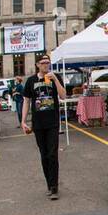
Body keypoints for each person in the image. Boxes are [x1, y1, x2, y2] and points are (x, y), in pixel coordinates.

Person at [22, 54, 67, 199]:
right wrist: (23, 121)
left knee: (53, 154)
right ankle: (49, 184)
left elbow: (64, 95)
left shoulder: (55, 78)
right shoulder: (31, 81)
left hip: (52, 122)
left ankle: (54, 188)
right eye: (43, 63)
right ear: (37, 65)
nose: (46, 65)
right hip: (38, 123)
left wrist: (55, 81)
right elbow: (27, 101)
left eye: (48, 63)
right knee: (44, 155)